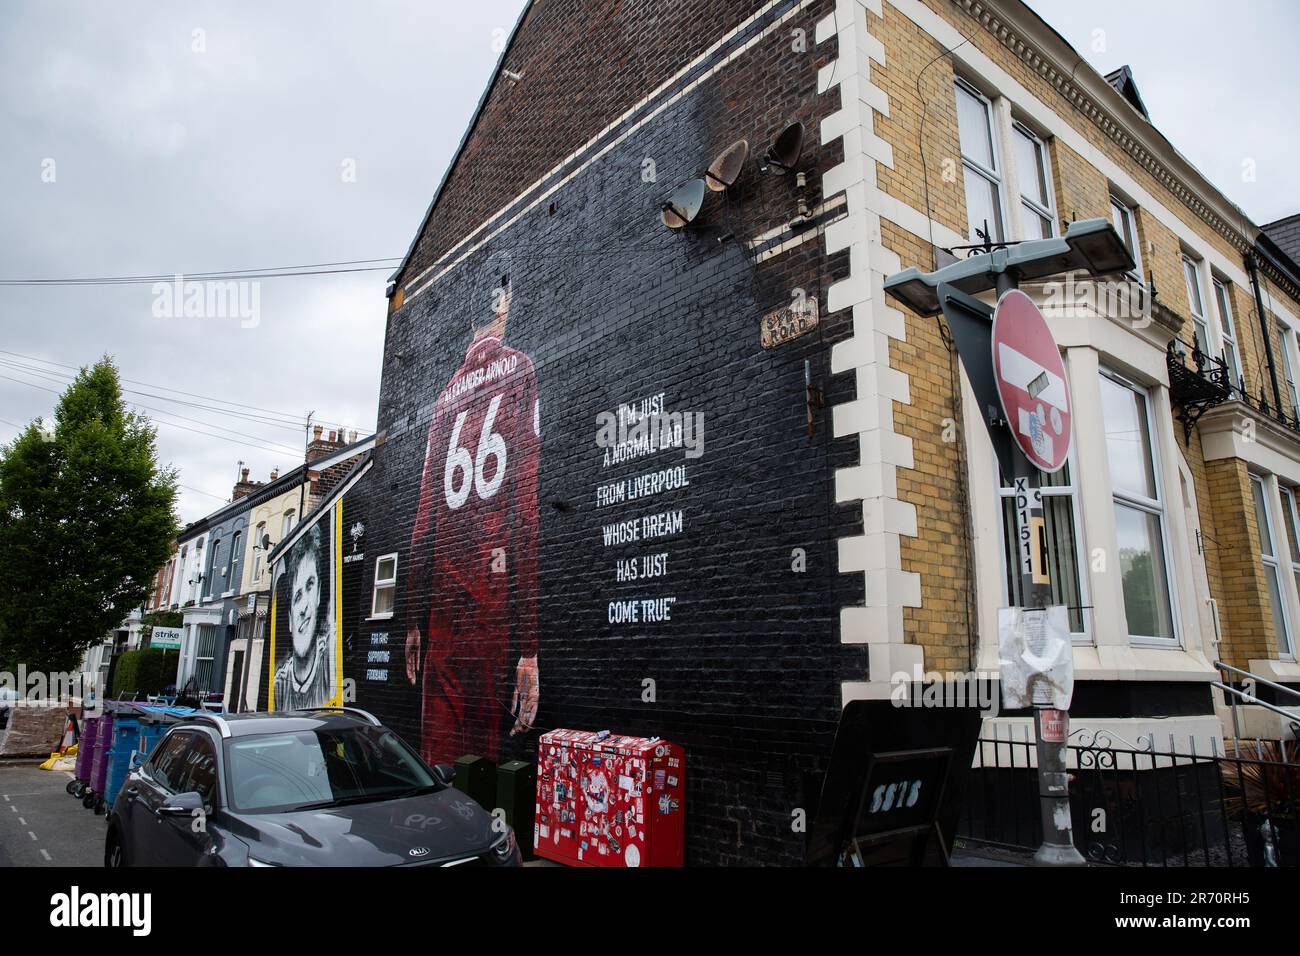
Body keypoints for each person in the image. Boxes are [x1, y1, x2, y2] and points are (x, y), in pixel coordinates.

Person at [404, 273, 540, 765]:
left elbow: (422, 524)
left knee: (439, 761)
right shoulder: (520, 369)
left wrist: (413, 621)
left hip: (442, 616)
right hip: (491, 609)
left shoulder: (444, 398)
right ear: (503, 305)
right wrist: (529, 647)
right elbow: (526, 512)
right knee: (483, 764)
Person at [273, 522, 334, 710]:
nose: (303, 608)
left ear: (319, 594)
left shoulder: (330, 661)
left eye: (310, 586)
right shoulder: (279, 686)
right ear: (290, 617)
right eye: (297, 596)